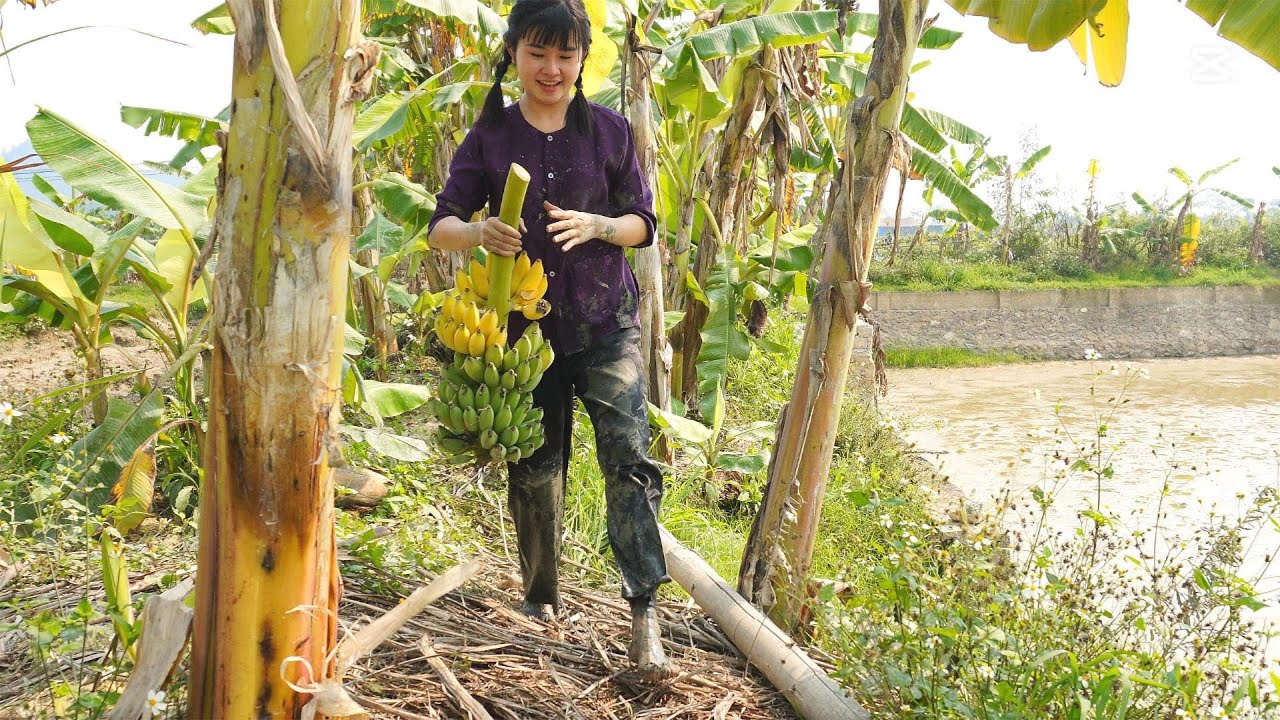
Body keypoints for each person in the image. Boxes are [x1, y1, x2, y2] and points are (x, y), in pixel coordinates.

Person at [426, 0, 672, 678]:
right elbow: (441, 224)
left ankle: (644, 613)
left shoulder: (612, 134)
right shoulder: (490, 138)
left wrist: (599, 225)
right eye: (538, 52)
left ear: (581, 59)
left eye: (565, 54)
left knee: (627, 458)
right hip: (522, 332)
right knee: (535, 472)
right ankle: (541, 603)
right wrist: (478, 233)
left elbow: (644, 224)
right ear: (514, 54)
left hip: (604, 322)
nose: (552, 68)